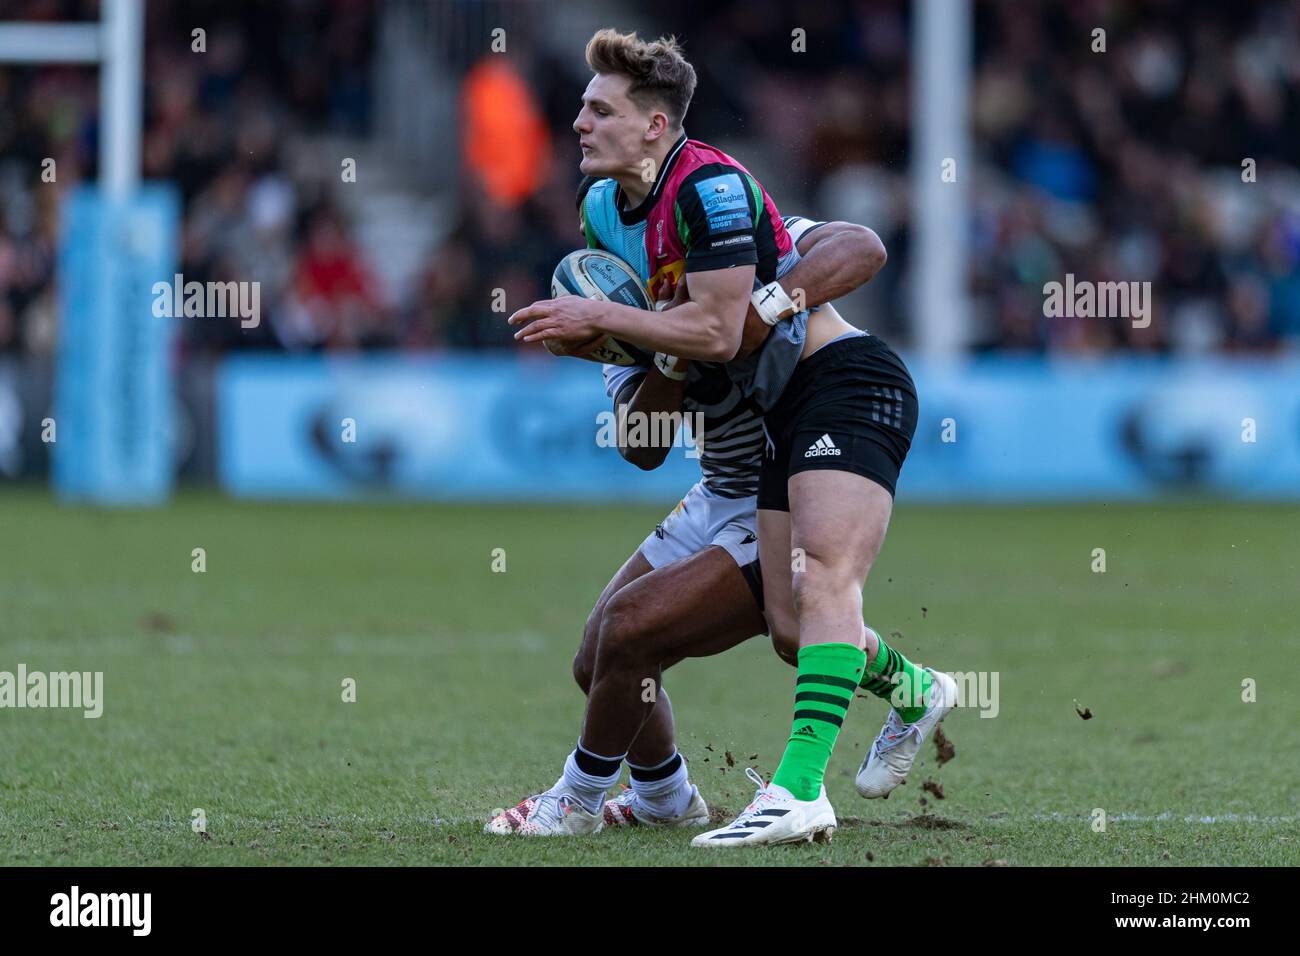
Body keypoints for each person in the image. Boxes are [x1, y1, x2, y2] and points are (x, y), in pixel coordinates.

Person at [509, 29, 957, 847]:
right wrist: (640, 338)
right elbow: (643, 442)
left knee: (650, 625)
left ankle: (590, 796)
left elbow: (855, 247)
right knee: (611, 656)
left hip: (830, 397)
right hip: (734, 472)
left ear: (653, 126)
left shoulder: (711, 198)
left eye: (598, 108)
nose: (577, 122)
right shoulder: (608, 227)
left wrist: (753, 310)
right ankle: (668, 795)